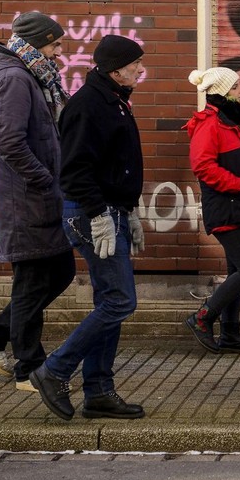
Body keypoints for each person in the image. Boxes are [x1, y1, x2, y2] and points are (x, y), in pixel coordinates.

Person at [29, 34, 148, 422]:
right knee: (119, 302)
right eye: (135, 65)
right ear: (116, 70)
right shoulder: (89, 106)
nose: (140, 70)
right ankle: (55, 370)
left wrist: (128, 209)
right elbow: (76, 170)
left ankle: (98, 391)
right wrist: (100, 215)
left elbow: (114, 164)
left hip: (109, 210)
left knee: (109, 302)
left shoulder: (112, 100)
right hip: (92, 214)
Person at [0, 11, 77, 393]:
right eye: (54, 44)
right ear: (34, 43)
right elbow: (10, 142)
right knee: (31, 282)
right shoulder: (14, 78)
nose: (59, 52)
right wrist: (45, 180)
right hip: (26, 199)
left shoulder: (27, 74)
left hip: (36, 197)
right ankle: (29, 369)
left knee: (59, 271)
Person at [183, 67, 240, 354]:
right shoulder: (211, 125)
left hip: (239, 205)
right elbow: (203, 167)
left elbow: (239, 165)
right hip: (227, 208)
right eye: (235, 88)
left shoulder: (231, 123)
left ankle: (231, 334)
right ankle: (203, 317)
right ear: (220, 92)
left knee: (236, 270)